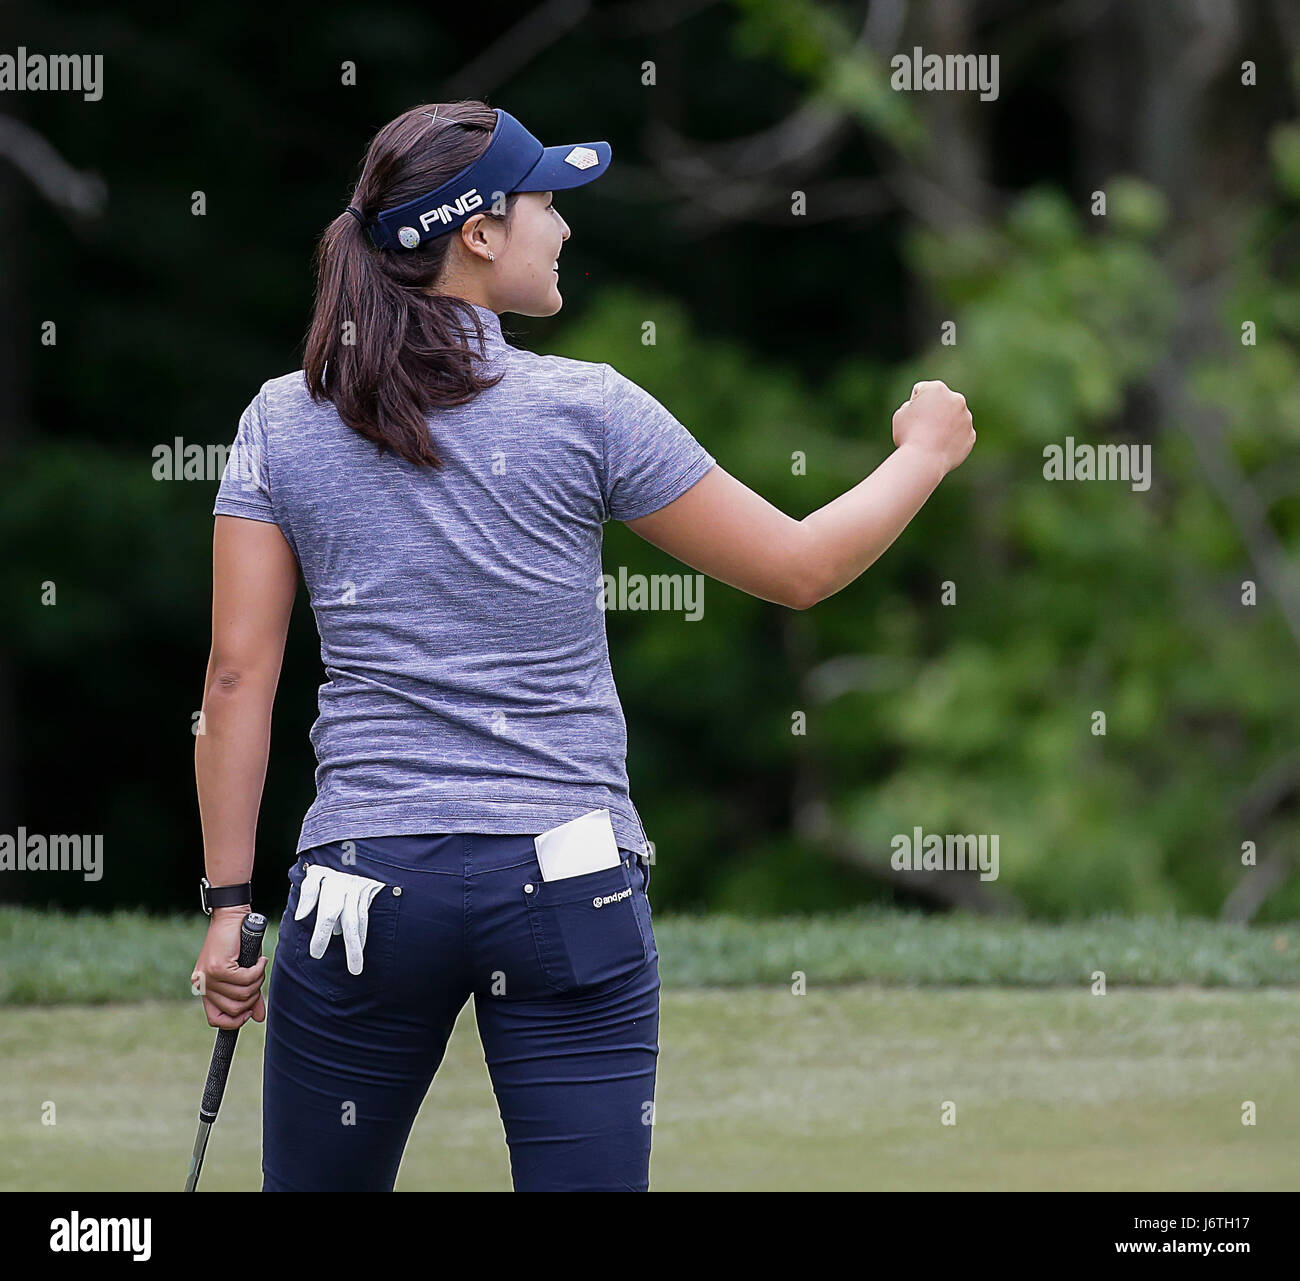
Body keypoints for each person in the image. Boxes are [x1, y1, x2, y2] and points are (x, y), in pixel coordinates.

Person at [190, 99, 975, 1193]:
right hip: (563, 883)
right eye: (546, 201)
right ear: (478, 231)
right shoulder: (586, 408)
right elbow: (801, 569)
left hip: (362, 889)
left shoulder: (282, 418)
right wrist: (925, 453)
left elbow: (238, 676)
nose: (562, 227)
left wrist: (229, 904)